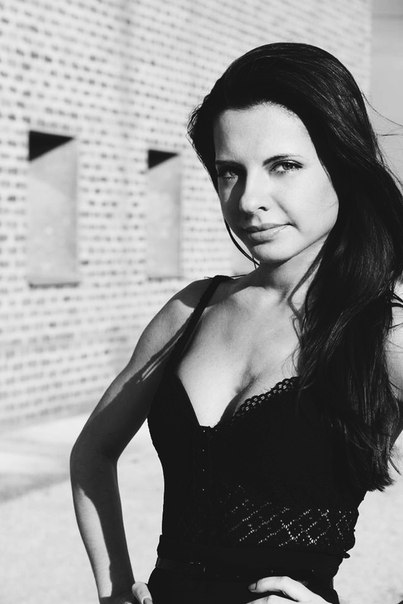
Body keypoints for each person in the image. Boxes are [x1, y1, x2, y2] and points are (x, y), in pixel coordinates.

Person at [70, 42, 403, 604]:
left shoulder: (382, 335)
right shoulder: (190, 312)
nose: (249, 200)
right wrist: (116, 587)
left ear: (341, 166)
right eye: (230, 172)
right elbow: (93, 454)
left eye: (284, 166)